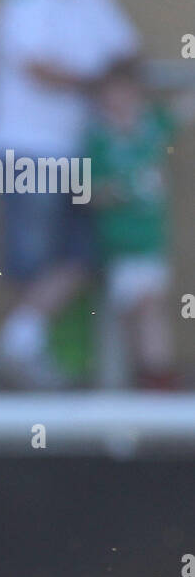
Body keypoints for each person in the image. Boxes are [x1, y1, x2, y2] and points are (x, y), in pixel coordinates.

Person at [0, 0, 140, 386]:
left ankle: (18, 343)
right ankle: (27, 360)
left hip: (76, 155)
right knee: (33, 259)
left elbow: (126, 55)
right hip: (23, 151)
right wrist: (100, 83)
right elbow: (38, 68)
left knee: (82, 254)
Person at [86, 59, 182, 389]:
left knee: (150, 306)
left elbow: (184, 109)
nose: (118, 99)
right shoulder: (98, 139)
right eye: (111, 93)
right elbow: (88, 193)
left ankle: (156, 379)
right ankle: (142, 382)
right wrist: (127, 188)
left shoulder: (151, 125)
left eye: (125, 91)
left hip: (151, 239)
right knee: (132, 314)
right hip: (118, 243)